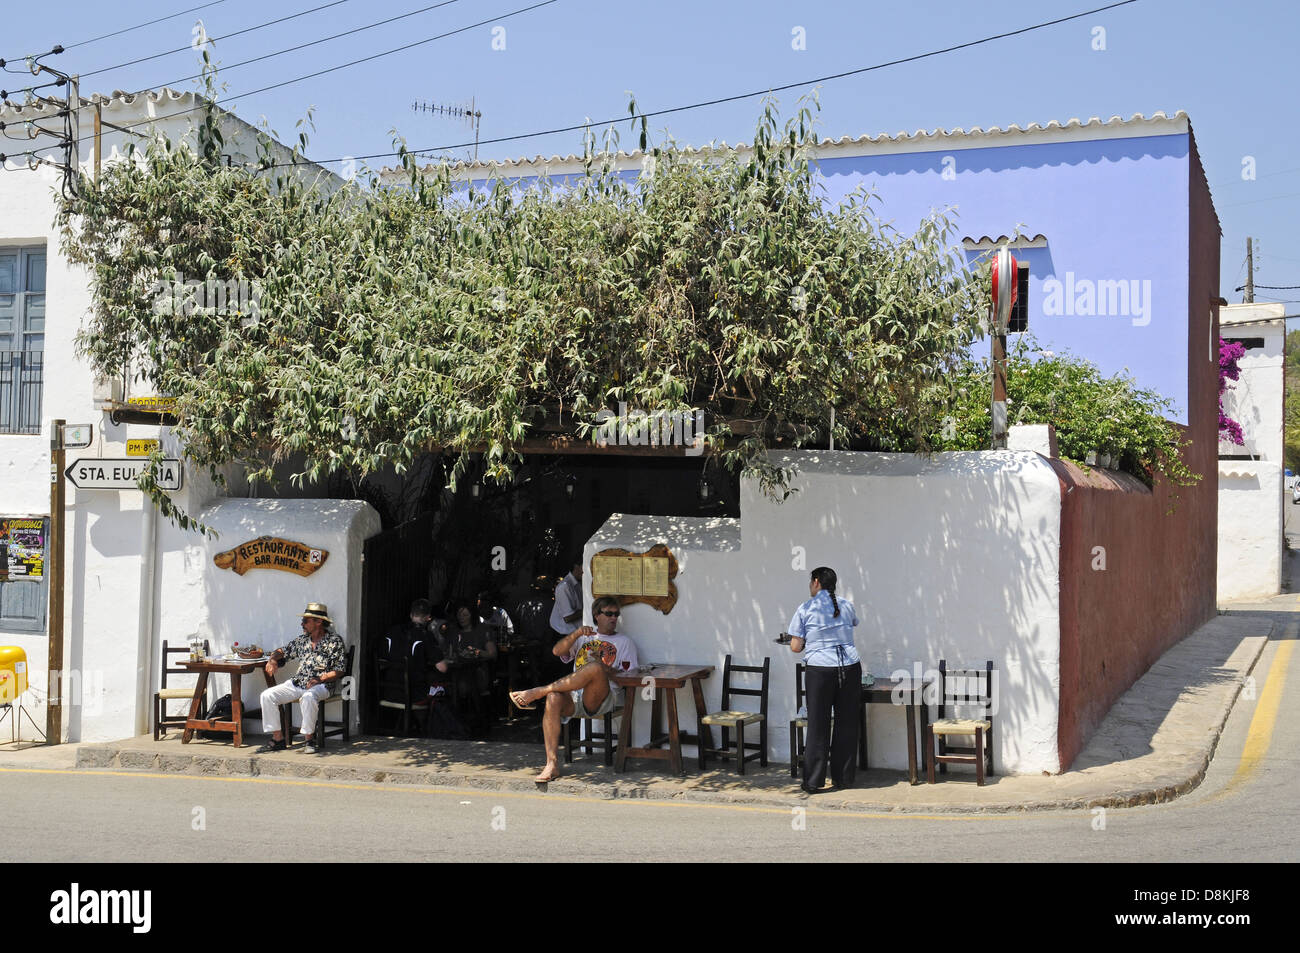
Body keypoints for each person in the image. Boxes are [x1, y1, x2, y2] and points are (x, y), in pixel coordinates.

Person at [508, 595, 638, 782]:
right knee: (553, 697)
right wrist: (577, 634)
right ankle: (551, 764)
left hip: (603, 697)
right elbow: (556, 651)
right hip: (575, 695)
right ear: (596, 615)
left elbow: (628, 679)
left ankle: (538, 691)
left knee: (594, 667)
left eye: (616, 614)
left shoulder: (624, 642)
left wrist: (604, 668)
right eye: (609, 614)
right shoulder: (584, 637)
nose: (613, 618)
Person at [784, 567, 861, 794]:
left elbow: (796, 646)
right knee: (846, 724)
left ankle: (813, 781)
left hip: (820, 670)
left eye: (811, 582)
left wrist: (811, 640)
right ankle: (844, 778)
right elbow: (851, 625)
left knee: (818, 724)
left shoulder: (806, 608)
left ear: (816, 582)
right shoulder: (846, 605)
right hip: (850, 667)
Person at [257, 603, 349, 754]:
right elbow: (282, 651)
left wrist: (320, 679)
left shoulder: (334, 641)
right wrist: (273, 659)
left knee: (308, 696)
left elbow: (339, 670)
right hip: (298, 682)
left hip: (323, 685)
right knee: (267, 695)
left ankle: (309, 740)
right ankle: (278, 738)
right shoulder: (302, 640)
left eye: (306, 621)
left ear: (318, 622)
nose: (302, 624)